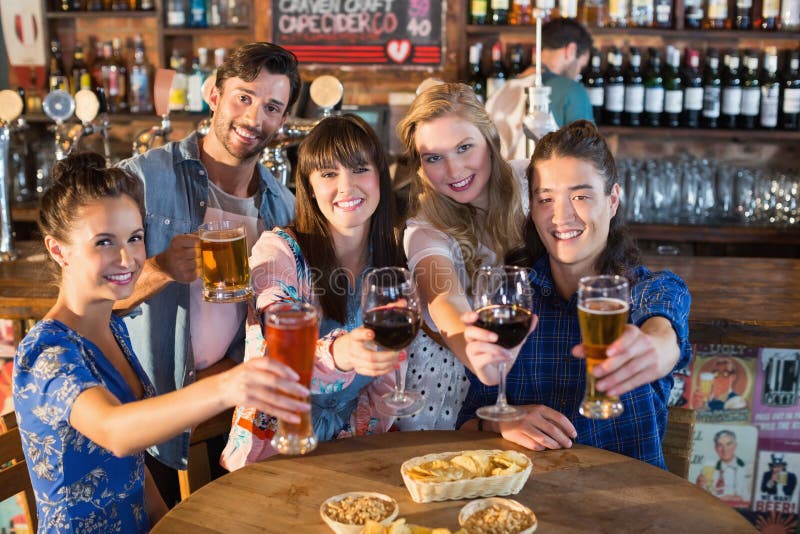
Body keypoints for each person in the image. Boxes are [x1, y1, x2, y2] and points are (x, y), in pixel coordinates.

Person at [12, 153, 309, 533]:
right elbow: (116, 432)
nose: (127, 258)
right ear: (58, 250)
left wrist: (169, 521)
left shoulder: (113, 328)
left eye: (135, 238)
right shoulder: (45, 353)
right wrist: (230, 385)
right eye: (104, 242)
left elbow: (134, 467)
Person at [116, 42, 299, 500]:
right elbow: (83, 291)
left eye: (271, 107)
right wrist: (159, 269)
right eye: (244, 97)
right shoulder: (143, 179)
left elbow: (268, 323)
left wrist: (221, 377)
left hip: (227, 414)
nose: (254, 118)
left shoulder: (282, 207)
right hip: (144, 415)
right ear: (214, 96)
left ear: (282, 120)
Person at [458, 120, 692, 469]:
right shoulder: (511, 302)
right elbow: (468, 423)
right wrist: (502, 421)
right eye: (546, 199)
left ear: (612, 201)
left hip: (630, 498)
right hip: (527, 497)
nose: (561, 216)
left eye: (580, 196)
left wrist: (655, 348)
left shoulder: (649, 289)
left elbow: (663, 331)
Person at [221, 114, 406, 469]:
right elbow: (282, 351)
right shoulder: (277, 252)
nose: (347, 186)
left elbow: (387, 384)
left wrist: (360, 447)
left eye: (360, 169)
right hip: (273, 454)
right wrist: (341, 353)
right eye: (329, 174)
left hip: (356, 452)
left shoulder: (392, 260)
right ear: (308, 186)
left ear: (381, 177)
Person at [395, 82, 528, 431]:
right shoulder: (425, 229)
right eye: (434, 158)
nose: (454, 171)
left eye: (464, 148)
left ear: (490, 139)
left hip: (532, 385)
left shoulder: (532, 182)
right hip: (448, 401)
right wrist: (477, 353)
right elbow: (445, 298)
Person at [486, 18, 595, 161]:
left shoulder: (501, 91)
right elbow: (590, 158)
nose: (578, 74)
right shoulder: (572, 91)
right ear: (571, 50)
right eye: (581, 66)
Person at [695, 430, 753, 504]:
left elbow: (752, 496)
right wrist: (698, 487)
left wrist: (737, 498)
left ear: (735, 445)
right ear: (716, 448)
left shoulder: (748, 468)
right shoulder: (708, 468)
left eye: (728, 444)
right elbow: (702, 496)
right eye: (720, 445)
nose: (725, 449)